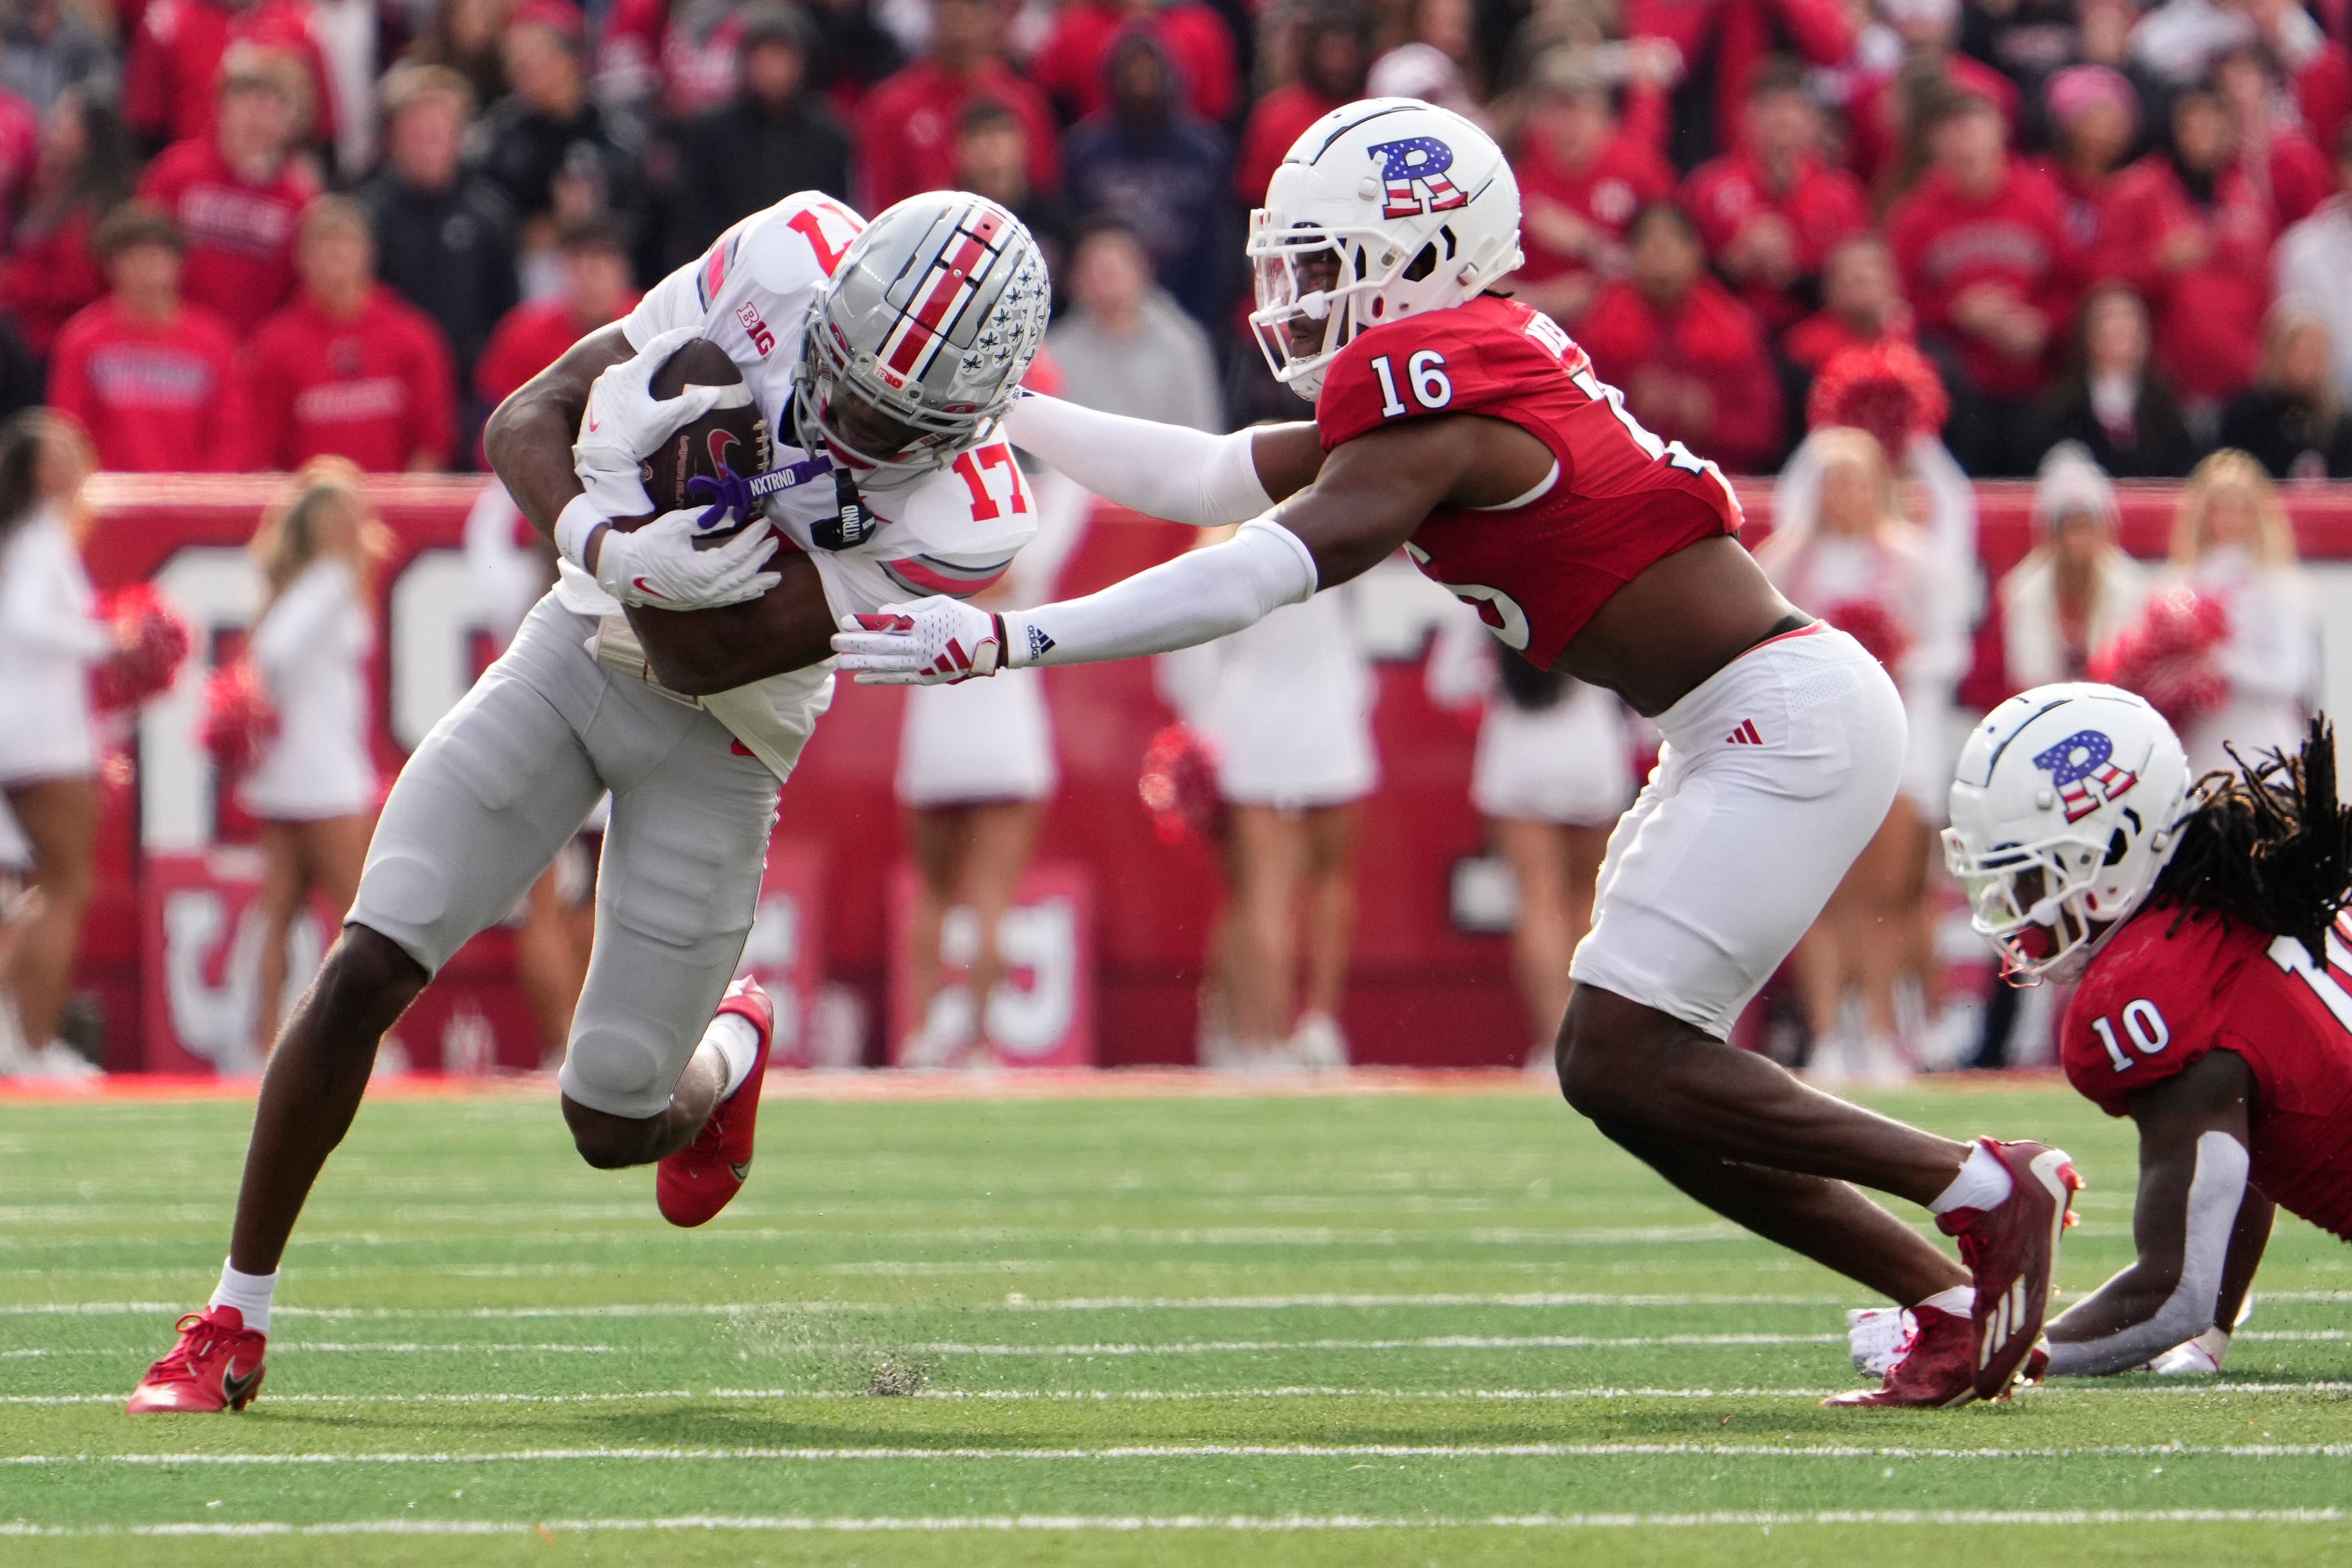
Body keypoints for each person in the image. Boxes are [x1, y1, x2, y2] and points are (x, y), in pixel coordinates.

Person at [838, 98, 2083, 1408]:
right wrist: (1010, 409)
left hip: (1778, 712)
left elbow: (1255, 572)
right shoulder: (1448, 364)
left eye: (1325, 261)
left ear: (1423, 254)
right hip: (1739, 713)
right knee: (1627, 1076)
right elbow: (1211, 480)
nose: (1299, 292)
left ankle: (1983, 1192)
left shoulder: (1438, 374)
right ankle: (1952, 1292)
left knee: (1621, 1057)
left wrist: (1008, 639)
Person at [125, 188, 1055, 1413]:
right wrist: (604, 541)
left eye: (889, 418)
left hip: (726, 740)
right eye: (842, 375)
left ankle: (733, 1045)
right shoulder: (782, 260)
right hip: (573, 646)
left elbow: (704, 661)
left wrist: (651, 539)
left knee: (611, 1120)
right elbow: (529, 415)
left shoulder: (970, 516)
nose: (842, 419)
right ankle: (230, 1317)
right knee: (367, 961)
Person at [1942, 687, 2352, 1381]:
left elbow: (2169, 1294)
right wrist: (2212, 1335)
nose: (2018, 908)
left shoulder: (2163, 991)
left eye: (2035, 871)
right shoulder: (2237, 907)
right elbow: (2241, 1150)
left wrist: (1992, 1348)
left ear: (2119, 847)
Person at [1759, 426, 1971, 1083]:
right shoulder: (1784, 562)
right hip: (1816, 744)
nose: (1844, 495)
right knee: (1822, 898)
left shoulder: (1915, 559)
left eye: (1856, 480)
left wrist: (1889, 657)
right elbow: (1764, 648)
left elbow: (1950, 650)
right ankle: (1827, 1036)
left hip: (1896, 739)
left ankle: (1879, 1033)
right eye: (1832, 481)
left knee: (1886, 894)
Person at [1165, 541, 1376, 1073]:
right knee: (1326, 882)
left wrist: (1205, 731)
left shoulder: (1224, 545)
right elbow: (1358, 632)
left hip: (1253, 727)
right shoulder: (1333, 526)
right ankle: (1315, 1026)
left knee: (1262, 893)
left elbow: (1186, 657)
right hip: (1328, 720)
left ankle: (1267, 1040)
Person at [1427, 608, 1633, 1070]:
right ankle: (1592, 1047)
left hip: (1518, 756)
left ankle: (1554, 1047)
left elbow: (1446, 684)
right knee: (1589, 901)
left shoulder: (1483, 585)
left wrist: (1495, 677)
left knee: (1537, 900)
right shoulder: (1592, 579)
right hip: (1591, 753)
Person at [240, 459, 387, 1055]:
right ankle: (368, 1047)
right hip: (324, 779)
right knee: (368, 921)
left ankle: (262, 1045)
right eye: (349, 511)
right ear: (330, 522)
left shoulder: (303, 579)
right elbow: (271, 656)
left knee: (278, 914)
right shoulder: (327, 581)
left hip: (286, 773)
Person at [0, 412, 113, 1078]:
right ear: (44, 470)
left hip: (25, 734)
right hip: (43, 741)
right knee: (64, 888)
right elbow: (29, 621)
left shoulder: (20, 532)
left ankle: (22, 1041)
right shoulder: (38, 533)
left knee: (26, 896)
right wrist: (112, 641)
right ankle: (36, 1047)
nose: (80, 457)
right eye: (66, 451)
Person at [1887, 87, 2081, 475]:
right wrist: (1955, 312)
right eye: (1954, 138)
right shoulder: (1915, 215)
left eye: (1974, 135)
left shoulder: (2039, 199)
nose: (1966, 149)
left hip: (2033, 379)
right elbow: (1897, 300)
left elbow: (2073, 283)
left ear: (2000, 136)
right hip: (1955, 392)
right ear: (1935, 146)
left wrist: (2042, 324)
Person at [2098, 82, 2281, 419]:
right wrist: (2158, 262)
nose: (2202, 135)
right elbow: (2103, 278)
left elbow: (2265, 284)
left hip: (2241, 378)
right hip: (2167, 386)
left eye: (2214, 123)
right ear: (2173, 127)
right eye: (2192, 124)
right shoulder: (2135, 191)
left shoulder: (2250, 191)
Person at [241, 197, 459, 473]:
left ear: (370, 253)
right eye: (323, 246)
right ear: (300, 258)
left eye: (346, 244)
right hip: (310, 508)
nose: (336, 255)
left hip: (394, 506)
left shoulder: (411, 335)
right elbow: (263, 453)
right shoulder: (272, 345)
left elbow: (432, 443)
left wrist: (405, 507)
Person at [1575, 202, 1784, 474]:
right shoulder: (1598, 327)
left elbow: (1766, 429)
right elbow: (1576, 422)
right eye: (1646, 242)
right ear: (1630, 254)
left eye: (1671, 240)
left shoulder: (1736, 326)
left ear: (1695, 251)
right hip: (1621, 477)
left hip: (1719, 476)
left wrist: (1712, 417)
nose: (1660, 251)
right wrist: (1626, 409)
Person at [354, 64, 519, 405]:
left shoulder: (489, 213)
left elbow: (507, 315)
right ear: (394, 136)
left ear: (460, 135)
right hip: (387, 390)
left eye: (440, 129)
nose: (430, 140)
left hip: (472, 390)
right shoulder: (367, 214)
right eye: (418, 129)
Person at [45, 201, 244, 473]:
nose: (147, 265)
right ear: (110, 266)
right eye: (133, 256)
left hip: (192, 500)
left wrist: (205, 493)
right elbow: (68, 429)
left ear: (179, 263)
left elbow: (231, 429)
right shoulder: (82, 338)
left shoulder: (212, 339)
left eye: (159, 254)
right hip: (109, 499)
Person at [134, 46, 319, 338]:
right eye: (248, 101)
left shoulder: (299, 200)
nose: (260, 118)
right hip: (169, 341)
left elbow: (301, 294)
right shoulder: (177, 172)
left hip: (252, 352)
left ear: (293, 122)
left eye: (275, 106)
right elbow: (136, 256)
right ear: (222, 106)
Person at [1679, 58, 1868, 336]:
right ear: (1744, 117)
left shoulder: (1841, 194)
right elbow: (1677, 277)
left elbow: (1860, 283)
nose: (1782, 118)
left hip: (1814, 338)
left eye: (1794, 107)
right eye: (1770, 107)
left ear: (1815, 121)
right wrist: (1734, 264)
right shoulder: (1708, 188)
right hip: (1725, 335)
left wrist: (1794, 274)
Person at [1062, 28, 1233, 328]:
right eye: (1133, 74)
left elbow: (1219, 244)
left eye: (1151, 74)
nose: (1142, 84)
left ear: (1172, 77)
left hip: (1192, 298)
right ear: (1113, 79)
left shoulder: (1205, 150)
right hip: (1102, 307)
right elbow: (1075, 237)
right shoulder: (1085, 150)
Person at [2161, 449, 2315, 772]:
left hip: (2264, 746)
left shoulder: (2278, 586)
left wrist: (2223, 664)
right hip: (2201, 745)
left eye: (2240, 509)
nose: (2230, 519)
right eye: (2220, 508)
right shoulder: (2179, 585)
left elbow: (2293, 676)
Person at [668, 4, 853, 264]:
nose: (774, 70)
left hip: (806, 269)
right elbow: (695, 213)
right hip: (726, 269)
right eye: (765, 57)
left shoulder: (830, 137)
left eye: (783, 57)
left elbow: (838, 214)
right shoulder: (709, 132)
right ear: (746, 62)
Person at [472, 3, 647, 271]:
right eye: (513, 64)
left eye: (530, 63)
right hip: (522, 269)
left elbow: (643, 213)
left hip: (607, 268)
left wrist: (589, 222)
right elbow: (482, 209)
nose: (518, 75)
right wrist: (532, 230)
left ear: (569, 61)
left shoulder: (614, 131)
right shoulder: (501, 130)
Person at [1507, 50, 1675, 327]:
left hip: (1622, 330)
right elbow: (1484, 274)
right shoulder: (1516, 181)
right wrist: (1539, 300)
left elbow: (1672, 260)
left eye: (1577, 111)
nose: (1565, 126)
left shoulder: (1638, 170)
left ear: (1603, 115)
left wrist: (1589, 246)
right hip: (1535, 328)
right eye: (1553, 111)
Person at [854, 0, 1058, 215]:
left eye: (971, 12)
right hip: (918, 237)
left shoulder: (1023, 102)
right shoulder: (892, 106)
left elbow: (1042, 188)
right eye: (952, 13)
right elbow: (881, 202)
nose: (961, 25)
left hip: (1012, 233)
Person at [1044, 218, 1221, 432]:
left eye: (1111, 272)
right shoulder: (1054, 354)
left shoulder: (1183, 346)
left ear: (1141, 270)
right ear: (1076, 280)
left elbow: (1203, 432)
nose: (1104, 286)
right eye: (1094, 273)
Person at [1998, 442, 2149, 692]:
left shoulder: (2133, 588)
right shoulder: (2021, 592)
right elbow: (2024, 673)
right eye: (2068, 528)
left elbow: (2133, 670)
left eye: (2085, 528)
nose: (2075, 541)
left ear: (2103, 530)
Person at [0, 86, 136, 361]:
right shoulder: (48, 185)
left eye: (63, 121)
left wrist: (10, 279)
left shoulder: (96, 209)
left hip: (49, 344)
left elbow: (72, 285)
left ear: (87, 138)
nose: (51, 128)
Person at [2028, 281, 2198, 478]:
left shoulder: (2167, 408)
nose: (2124, 327)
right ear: (2086, 333)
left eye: (2131, 317)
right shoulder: (2058, 409)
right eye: (2110, 317)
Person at [473, 218, 640, 413]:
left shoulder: (651, 324)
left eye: (602, 268)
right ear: (563, 268)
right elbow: (492, 413)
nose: (592, 283)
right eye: (582, 269)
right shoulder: (524, 332)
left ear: (624, 270)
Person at [1232, 2, 1370, 205]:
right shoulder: (1275, 116)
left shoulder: (1381, 111)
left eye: (1348, 52)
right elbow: (1255, 195)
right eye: (1329, 51)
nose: (1338, 62)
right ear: (1310, 54)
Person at [1028, 0, 1236, 127]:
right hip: (1098, 168)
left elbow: (1218, 113)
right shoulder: (1075, 30)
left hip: (1187, 166)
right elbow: (1047, 109)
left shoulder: (1200, 29)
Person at [2219, 299, 2352, 479]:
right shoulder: (2245, 416)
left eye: (2319, 352)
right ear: (2277, 351)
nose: (2311, 362)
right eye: (2304, 350)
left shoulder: (2339, 422)